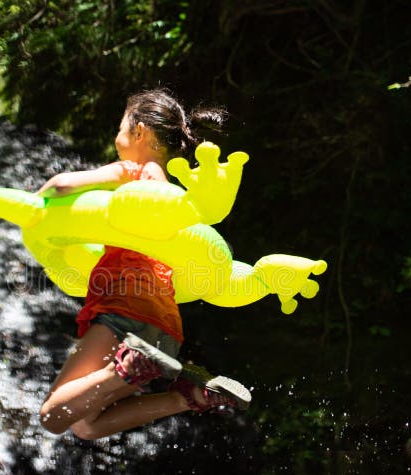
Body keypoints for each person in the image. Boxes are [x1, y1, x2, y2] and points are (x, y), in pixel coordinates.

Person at [37, 88, 251, 440]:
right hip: (165, 322)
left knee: (52, 416)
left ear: (139, 132)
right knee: (85, 425)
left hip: (126, 302)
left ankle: (127, 369)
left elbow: (60, 186)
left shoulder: (134, 172)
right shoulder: (174, 194)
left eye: (121, 125)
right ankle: (191, 396)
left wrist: (35, 214)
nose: (116, 135)